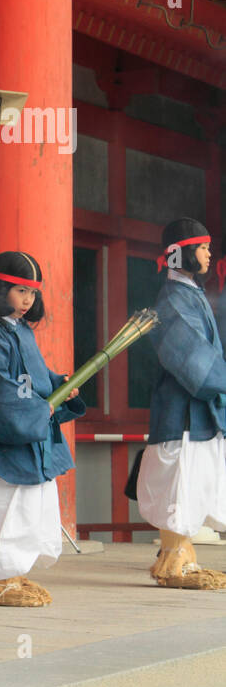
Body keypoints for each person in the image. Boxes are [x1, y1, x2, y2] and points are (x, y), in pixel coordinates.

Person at [0, 251, 84, 606]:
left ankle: (10, 574)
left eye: (32, 292)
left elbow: (36, 379)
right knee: (8, 503)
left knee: (30, 504)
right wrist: (37, 407)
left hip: (29, 428)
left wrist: (60, 385)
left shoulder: (21, 329)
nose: (28, 300)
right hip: (3, 434)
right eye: (19, 291)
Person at [135, 219, 226, 589]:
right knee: (179, 485)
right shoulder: (174, 297)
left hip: (194, 414)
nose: (208, 253)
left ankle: (179, 557)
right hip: (182, 413)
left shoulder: (190, 293)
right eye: (202, 247)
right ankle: (173, 561)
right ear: (184, 253)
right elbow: (195, 365)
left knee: (189, 484)